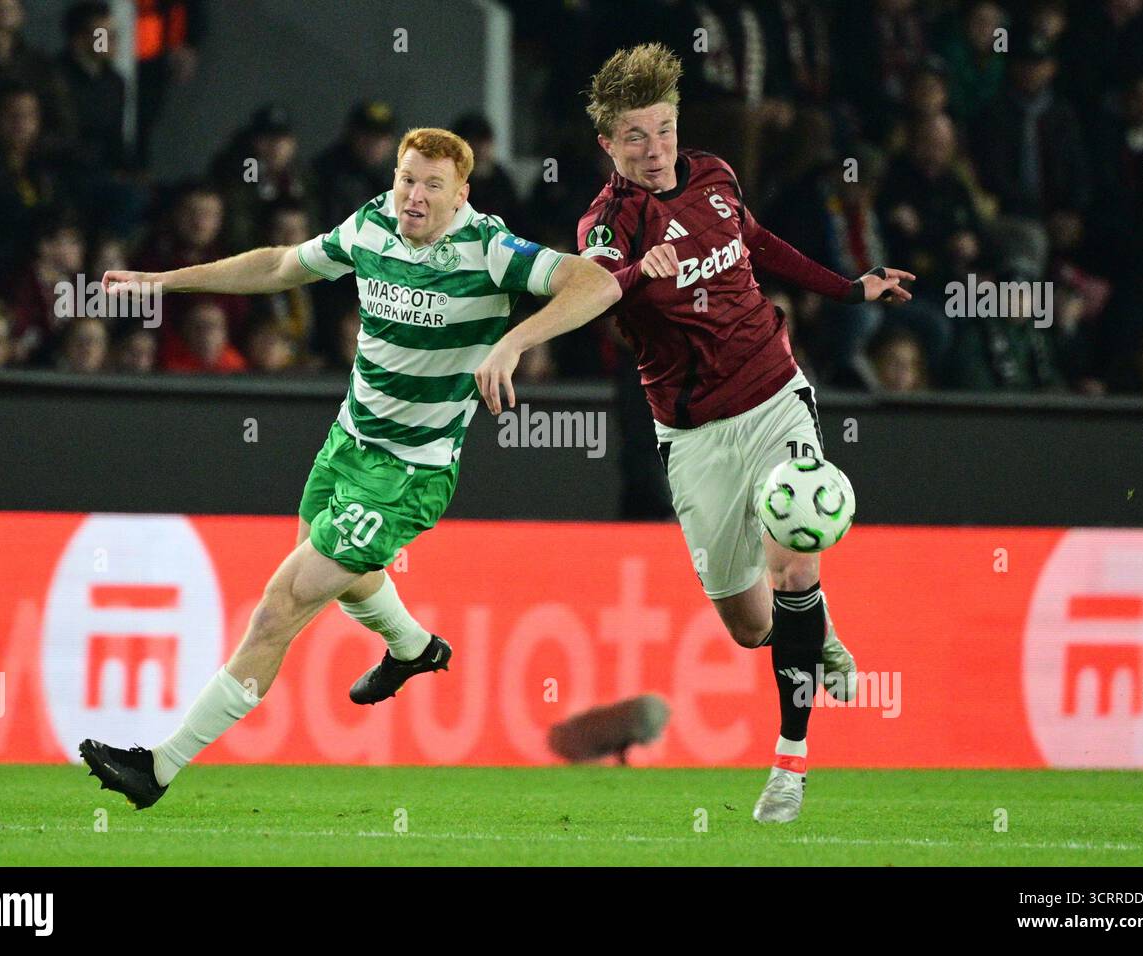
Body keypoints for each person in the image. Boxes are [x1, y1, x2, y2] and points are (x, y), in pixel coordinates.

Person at [78, 127, 621, 808]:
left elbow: (595, 283)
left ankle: (157, 766)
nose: (413, 196)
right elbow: (280, 266)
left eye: (431, 185)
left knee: (281, 606)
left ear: (462, 196)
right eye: (406, 178)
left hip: (409, 473)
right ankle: (413, 646)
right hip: (347, 444)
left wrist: (513, 343)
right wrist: (164, 282)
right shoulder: (370, 225)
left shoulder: (488, 249)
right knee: (329, 567)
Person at [473, 44, 914, 824]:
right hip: (694, 434)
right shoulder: (609, 223)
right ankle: (819, 632)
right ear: (607, 145)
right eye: (635, 137)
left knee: (794, 563)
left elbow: (759, 243)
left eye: (665, 129)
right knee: (752, 627)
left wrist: (849, 288)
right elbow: (597, 289)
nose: (655, 150)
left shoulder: (715, 176)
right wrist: (523, 337)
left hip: (777, 393)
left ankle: (790, 763)